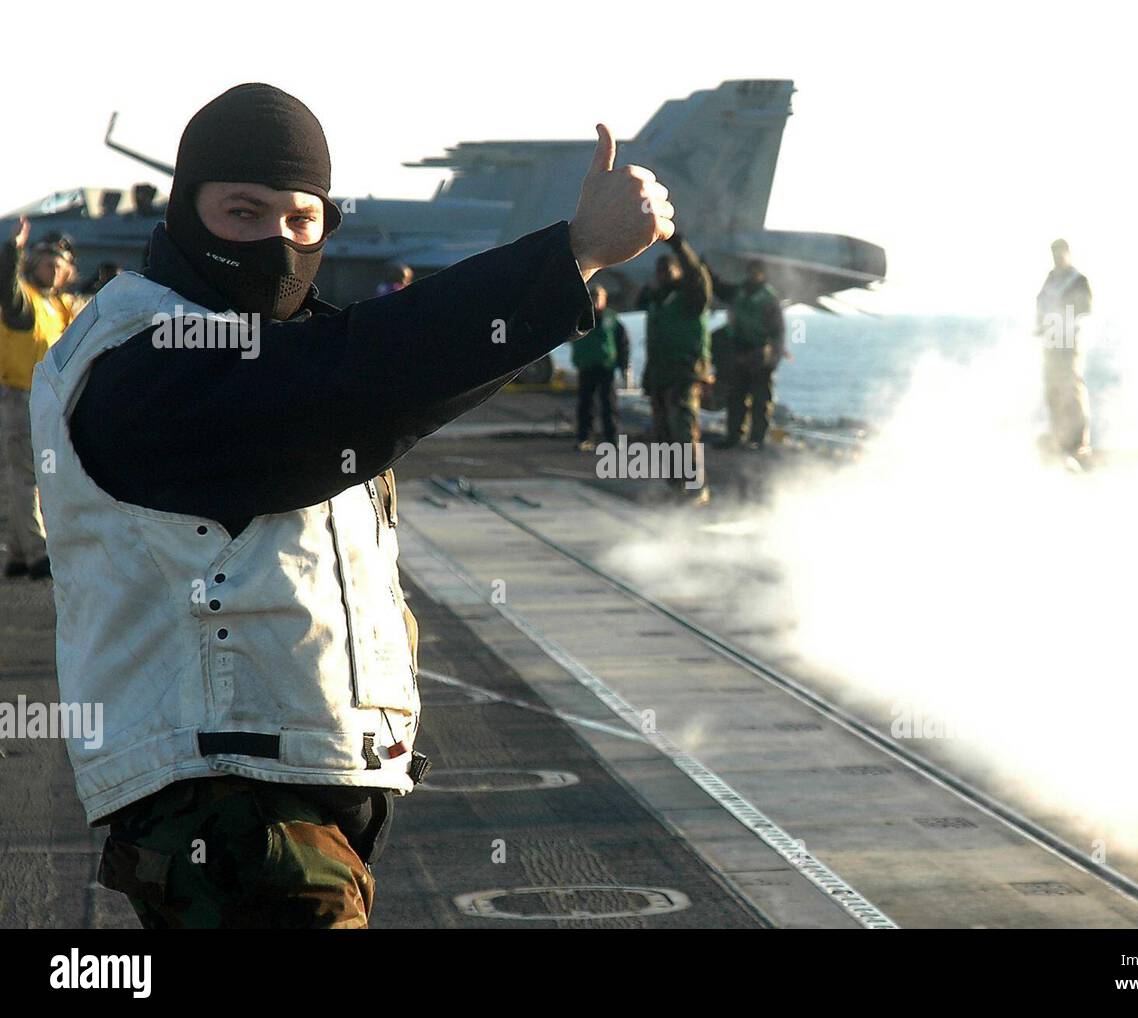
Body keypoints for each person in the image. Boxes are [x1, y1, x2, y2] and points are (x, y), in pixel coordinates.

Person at [28, 83, 674, 929]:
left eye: (302, 220)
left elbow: (352, 379)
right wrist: (572, 257)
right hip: (233, 817)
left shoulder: (263, 354)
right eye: (243, 212)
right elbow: (346, 382)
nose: (277, 241)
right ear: (185, 212)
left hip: (295, 797)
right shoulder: (142, 362)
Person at [0, 219, 85, 578]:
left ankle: (19, 554)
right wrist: (12, 250)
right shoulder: (25, 304)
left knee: (28, 477)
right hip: (20, 397)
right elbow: (7, 284)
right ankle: (38, 554)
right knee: (27, 479)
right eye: (46, 262)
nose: (52, 268)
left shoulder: (57, 306)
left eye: (58, 265)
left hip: (45, 400)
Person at [637, 233, 712, 502]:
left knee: (683, 428)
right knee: (663, 433)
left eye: (668, 269)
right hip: (660, 374)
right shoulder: (658, 302)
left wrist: (680, 247)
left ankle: (696, 487)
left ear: (679, 271)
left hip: (684, 372)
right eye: (660, 271)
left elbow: (697, 276)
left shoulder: (690, 299)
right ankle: (675, 486)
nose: (663, 274)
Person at [715, 259, 784, 449]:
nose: (754, 274)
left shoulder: (769, 298)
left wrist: (774, 357)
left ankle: (757, 439)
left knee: (761, 400)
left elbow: (778, 331)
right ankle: (734, 436)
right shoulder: (740, 291)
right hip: (739, 351)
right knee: (735, 397)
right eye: (752, 270)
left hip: (760, 354)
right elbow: (720, 290)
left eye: (757, 271)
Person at [1036, 238, 1093, 463]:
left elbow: (1085, 306)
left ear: (1067, 253)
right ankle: (1059, 438)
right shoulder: (1050, 280)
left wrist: (1064, 316)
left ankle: (1079, 443)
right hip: (1051, 343)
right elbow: (1041, 304)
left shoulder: (1077, 280)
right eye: (1054, 253)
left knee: (1072, 390)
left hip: (1069, 343)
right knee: (1053, 390)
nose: (1058, 257)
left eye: (1061, 253)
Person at [570, 284, 628, 449]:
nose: (595, 301)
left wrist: (623, 364)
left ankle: (612, 438)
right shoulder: (580, 316)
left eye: (598, 297)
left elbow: (622, 341)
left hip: (606, 366)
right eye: (593, 297)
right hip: (586, 365)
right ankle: (584, 437)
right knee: (585, 404)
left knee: (609, 403)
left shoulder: (611, 318)